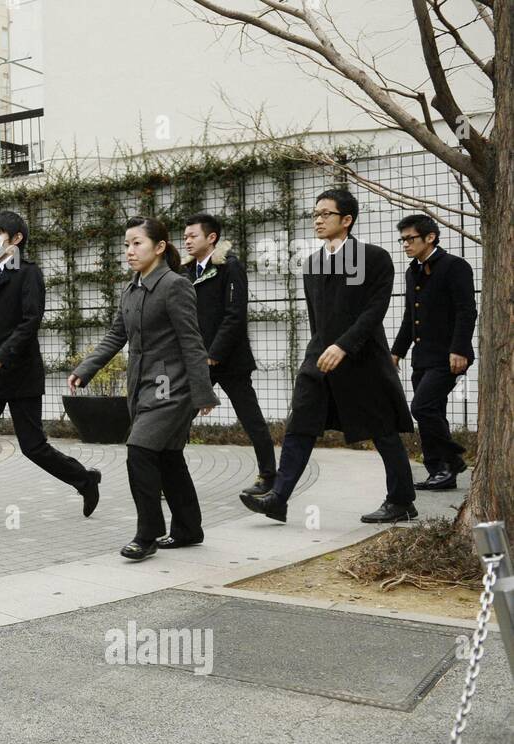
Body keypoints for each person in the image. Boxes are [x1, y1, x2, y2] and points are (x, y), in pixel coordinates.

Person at [240, 189, 416, 524]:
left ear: (346, 220)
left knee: (382, 430)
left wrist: (344, 345)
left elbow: (374, 311)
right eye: (315, 214)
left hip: (363, 360)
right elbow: (317, 315)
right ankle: (278, 499)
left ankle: (402, 500)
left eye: (326, 214)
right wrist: (321, 348)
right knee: (300, 424)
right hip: (319, 360)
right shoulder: (313, 263)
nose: (318, 220)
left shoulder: (374, 258)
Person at [0, 210, 102, 531]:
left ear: (16, 239)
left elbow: (30, 322)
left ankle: (84, 479)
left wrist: (0, 357)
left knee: (33, 446)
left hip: (19, 371)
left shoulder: (29, 274)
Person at [69, 217, 218, 561]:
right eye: (127, 245)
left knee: (139, 450)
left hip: (171, 387)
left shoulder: (175, 286)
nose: (130, 251)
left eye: (137, 243)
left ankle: (147, 533)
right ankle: (188, 528)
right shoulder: (132, 287)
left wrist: (202, 392)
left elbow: (192, 343)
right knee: (167, 457)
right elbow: (115, 335)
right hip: (142, 384)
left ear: (160, 247)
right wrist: (86, 369)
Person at [181, 213, 276, 495]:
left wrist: (214, 354)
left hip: (230, 361)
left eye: (192, 236)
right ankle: (171, 477)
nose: (186, 241)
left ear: (212, 238)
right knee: (179, 418)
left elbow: (235, 315)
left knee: (251, 419)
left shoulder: (230, 268)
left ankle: (269, 476)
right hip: (199, 360)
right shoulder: (186, 272)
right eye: (185, 236)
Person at [390, 214, 476, 491]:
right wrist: (396, 352)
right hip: (422, 357)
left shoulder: (455, 266)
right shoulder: (412, 270)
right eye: (402, 239)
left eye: (410, 238)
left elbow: (467, 311)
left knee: (422, 407)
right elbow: (409, 316)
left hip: (449, 356)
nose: (405, 244)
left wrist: (460, 349)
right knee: (433, 411)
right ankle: (440, 471)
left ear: (430, 237)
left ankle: (452, 459)